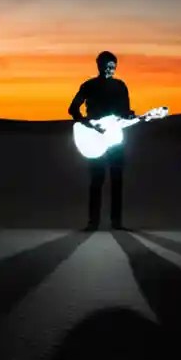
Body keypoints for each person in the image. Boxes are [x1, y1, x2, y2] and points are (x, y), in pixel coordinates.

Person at [69, 50, 135, 230]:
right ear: (98, 65)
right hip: (94, 138)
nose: (109, 69)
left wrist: (129, 116)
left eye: (113, 66)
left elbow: (124, 111)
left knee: (117, 179)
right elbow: (73, 109)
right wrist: (89, 125)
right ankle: (93, 221)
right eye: (106, 65)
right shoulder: (88, 86)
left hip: (115, 138)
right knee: (97, 180)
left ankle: (116, 222)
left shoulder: (121, 86)